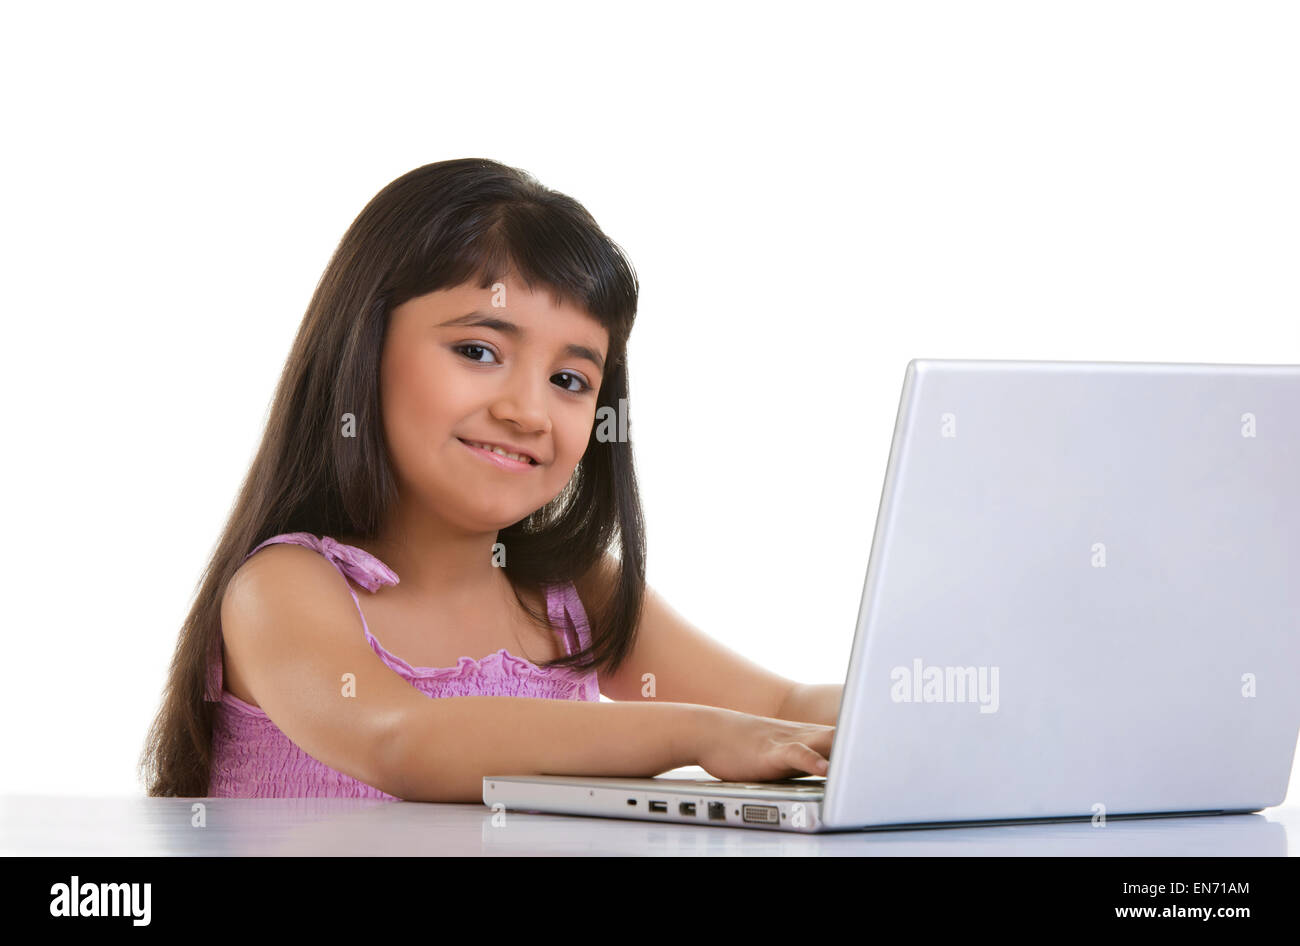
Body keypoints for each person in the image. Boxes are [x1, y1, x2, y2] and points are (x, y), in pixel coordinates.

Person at [138, 158, 838, 802]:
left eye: (569, 379)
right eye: (479, 350)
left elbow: (780, 710)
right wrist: (698, 734)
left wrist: (921, 706)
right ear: (364, 347)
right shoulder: (286, 588)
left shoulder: (572, 594)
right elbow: (402, 740)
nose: (526, 411)